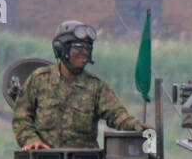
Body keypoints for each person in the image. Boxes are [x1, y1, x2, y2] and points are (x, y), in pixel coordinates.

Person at [12, 21, 149, 150]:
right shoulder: (40, 80)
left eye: (87, 48)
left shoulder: (95, 86)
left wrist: (137, 127)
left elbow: (118, 116)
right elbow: (21, 117)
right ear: (62, 48)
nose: (84, 52)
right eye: (78, 47)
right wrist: (31, 140)